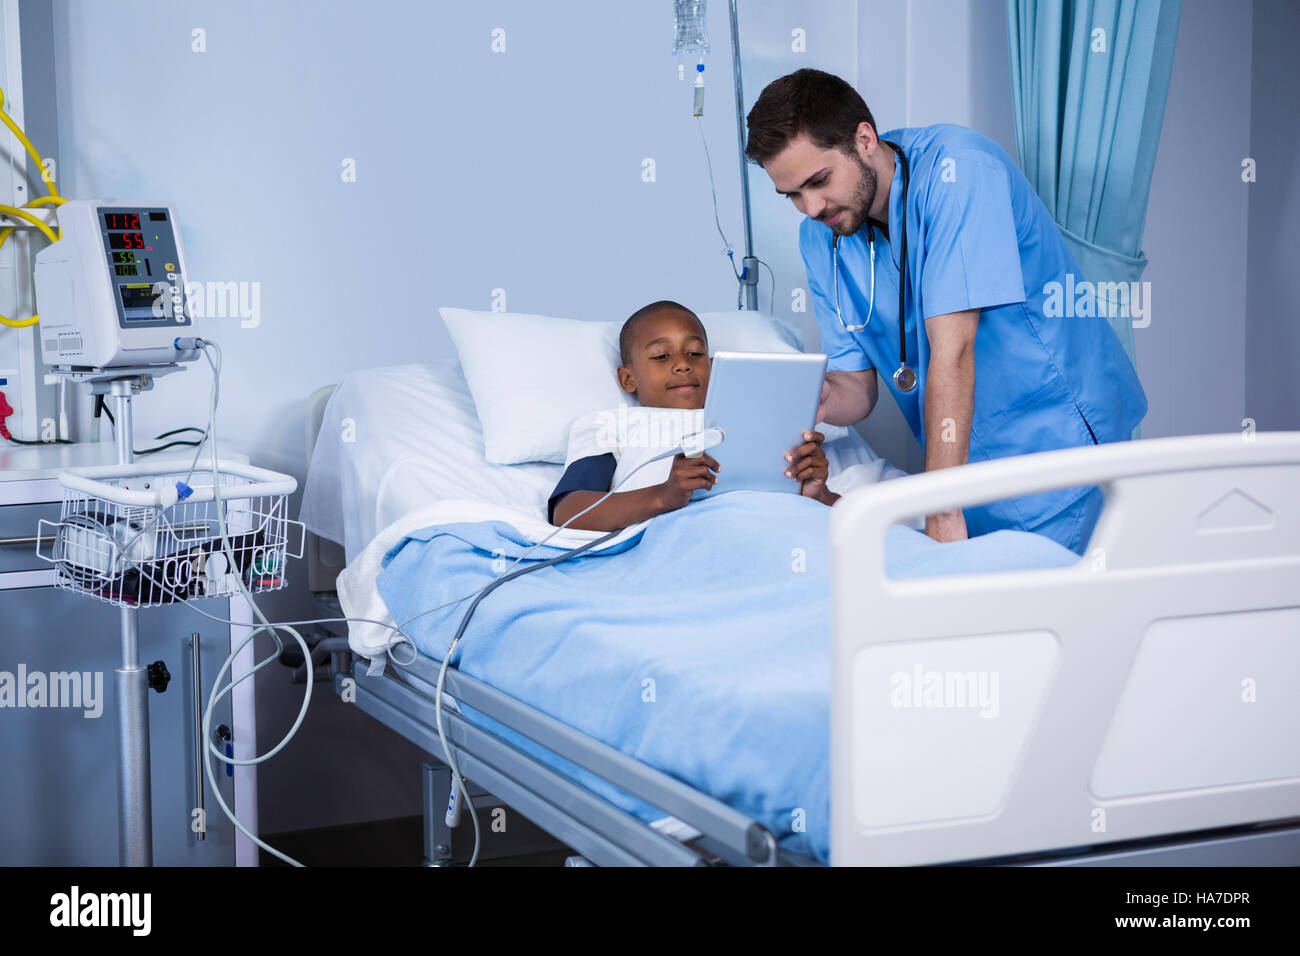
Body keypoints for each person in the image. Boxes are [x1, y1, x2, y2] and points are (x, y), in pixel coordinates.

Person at [744, 68, 1147, 555]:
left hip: (1058, 448)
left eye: (819, 181)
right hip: (966, 470)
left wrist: (942, 506)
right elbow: (858, 390)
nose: (810, 207)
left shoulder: (960, 174)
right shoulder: (821, 239)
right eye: (791, 195)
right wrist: (818, 396)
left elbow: (952, 349)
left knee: (1065, 619)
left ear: (864, 139)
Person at [548, 301, 837, 530]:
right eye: (661, 356)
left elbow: (846, 520)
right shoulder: (613, 424)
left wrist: (817, 494)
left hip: (782, 531)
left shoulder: (762, 418)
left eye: (695, 354)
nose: (683, 365)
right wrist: (663, 495)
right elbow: (569, 510)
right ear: (628, 379)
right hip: (687, 536)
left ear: (712, 366)